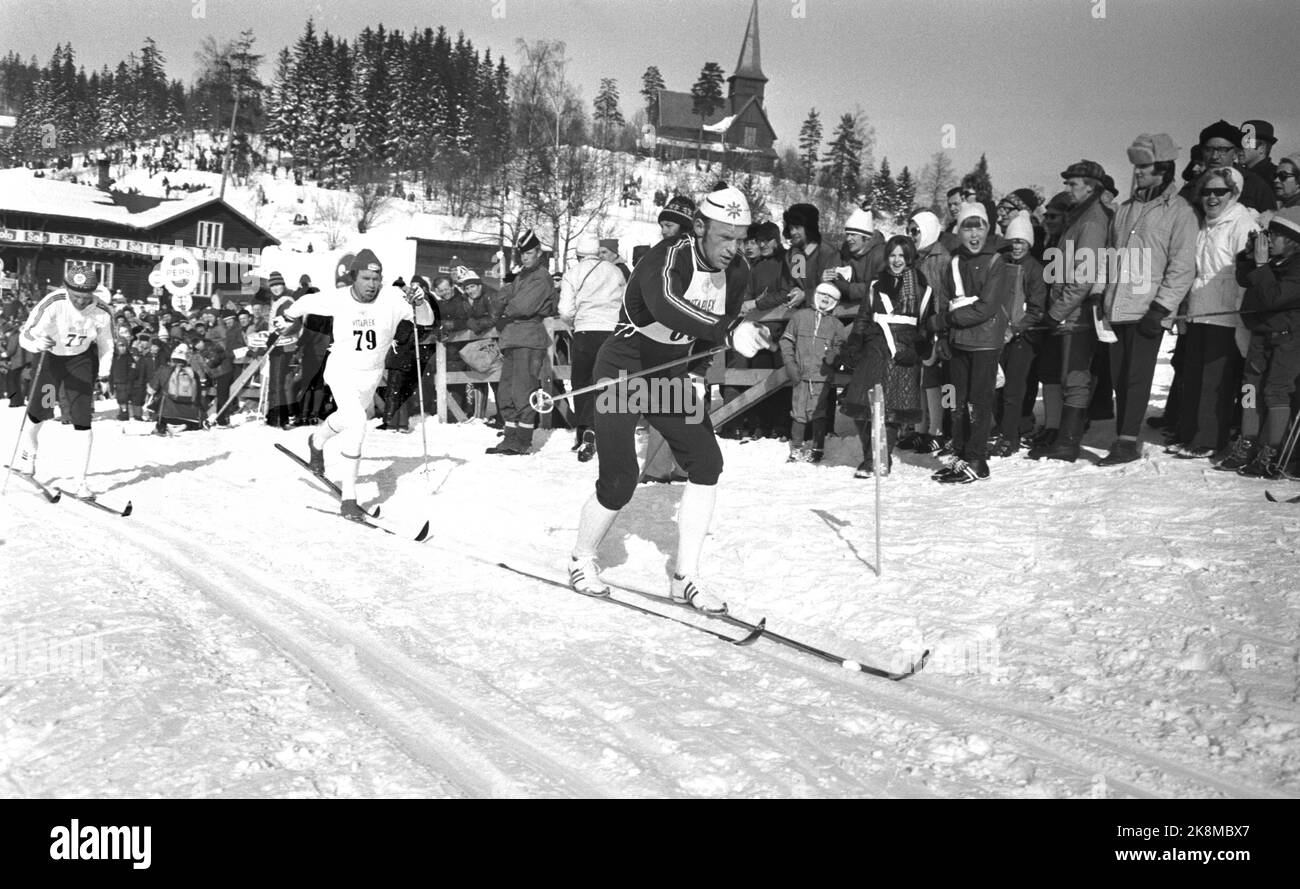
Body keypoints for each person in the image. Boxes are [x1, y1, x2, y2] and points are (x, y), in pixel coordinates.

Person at [568, 187, 772, 612]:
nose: (733, 249)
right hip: (625, 370)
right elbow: (666, 306)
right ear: (699, 228)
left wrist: (735, 338)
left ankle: (687, 578)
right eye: (724, 238)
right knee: (622, 478)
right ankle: (582, 558)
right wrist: (727, 329)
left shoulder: (737, 272)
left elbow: (716, 329)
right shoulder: (667, 256)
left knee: (706, 462)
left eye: (741, 238)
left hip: (669, 375)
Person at [275, 249, 414, 519]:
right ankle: (349, 498)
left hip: (371, 374)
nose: (371, 284)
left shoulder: (392, 299)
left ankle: (316, 441)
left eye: (376, 278)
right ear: (353, 277)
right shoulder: (338, 298)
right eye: (365, 278)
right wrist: (289, 315)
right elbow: (305, 303)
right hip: (342, 371)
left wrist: (419, 302)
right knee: (358, 424)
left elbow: (425, 319)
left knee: (346, 419)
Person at [1097, 133, 1198, 465]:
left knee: (1138, 377)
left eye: (1144, 167)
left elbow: (1182, 266)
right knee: (1119, 377)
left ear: (1164, 170)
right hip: (1117, 307)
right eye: (1136, 167)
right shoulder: (1124, 210)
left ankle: (1127, 442)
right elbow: (1110, 256)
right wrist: (1100, 295)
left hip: (1147, 310)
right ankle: (1123, 432)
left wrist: (1161, 308)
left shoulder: (1180, 212)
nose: (1137, 173)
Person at [1171, 167, 1258, 459]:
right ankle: (1189, 433)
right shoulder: (1204, 224)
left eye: (1219, 192)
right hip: (1198, 310)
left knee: (1215, 380)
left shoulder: (1241, 223)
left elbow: (1245, 274)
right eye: (1207, 191)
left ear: (1233, 193)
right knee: (1193, 375)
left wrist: (1241, 318)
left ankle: (1209, 438)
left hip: (1224, 312)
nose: (1211, 197)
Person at [1029, 162, 1111, 462]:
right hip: (1069, 310)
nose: (1068, 189)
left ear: (1091, 186)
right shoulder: (1080, 217)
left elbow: (1083, 275)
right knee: (1067, 375)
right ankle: (1063, 437)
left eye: (1073, 184)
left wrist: (1057, 311)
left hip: (1079, 313)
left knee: (1076, 376)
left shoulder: (1092, 221)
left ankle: (1068, 442)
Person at [927, 204, 1015, 482]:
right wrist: (942, 336)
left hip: (985, 342)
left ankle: (977, 460)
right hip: (958, 342)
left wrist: (946, 321)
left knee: (979, 402)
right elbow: (945, 299)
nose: (974, 234)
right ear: (959, 231)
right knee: (956, 400)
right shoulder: (954, 261)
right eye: (968, 227)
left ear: (987, 230)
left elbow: (986, 307)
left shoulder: (996, 262)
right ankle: (961, 455)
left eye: (979, 227)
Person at [14, 265, 114, 495]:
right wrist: (37, 344)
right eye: (75, 296)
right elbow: (26, 334)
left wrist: (104, 373)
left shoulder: (102, 310)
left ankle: (81, 481)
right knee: (41, 412)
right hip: (51, 362)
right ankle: (29, 455)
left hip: (80, 362)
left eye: (85, 296)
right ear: (66, 289)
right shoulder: (53, 302)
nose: (80, 301)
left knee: (82, 419)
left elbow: (107, 343)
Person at [838, 237, 934, 476]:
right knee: (860, 406)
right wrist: (855, 344)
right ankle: (872, 457)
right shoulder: (875, 285)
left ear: (910, 258)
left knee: (891, 411)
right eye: (892, 255)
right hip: (874, 347)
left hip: (902, 350)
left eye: (902, 255)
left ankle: (880, 460)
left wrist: (916, 350)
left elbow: (926, 325)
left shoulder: (923, 289)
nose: (897, 260)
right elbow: (862, 318)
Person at [1229, 207, 1300, 477]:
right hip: (1260, 332)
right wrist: (1249, 257)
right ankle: (1247, 441)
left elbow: (1273, 297)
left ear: (1292, 240)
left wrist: (1260, 264)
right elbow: (1244, 279)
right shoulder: (1274, 260)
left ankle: (1272, 449)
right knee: (1250, 389)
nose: (1267, 239)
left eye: (1273, 235)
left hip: (1289, 338)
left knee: (1275, 391)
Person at [486, 230, 558, 455]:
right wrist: (505, 306)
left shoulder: (541, 277)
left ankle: (523, 441)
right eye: (522, 254)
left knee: (523, 390)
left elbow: (523, 307)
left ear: (539, 253)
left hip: (529, 337)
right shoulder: (522, 276)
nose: (525, 257)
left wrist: (505, 309)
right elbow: (498, 299)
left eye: (529, 253)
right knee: (506, 391)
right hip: (513, 337)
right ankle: (509, 438)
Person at [559, 234, 626, 462]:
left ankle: (584, 430)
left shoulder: (573, 273)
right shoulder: (615, 271)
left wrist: (575, 322)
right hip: (612, 333)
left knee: (582, 382)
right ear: (598, 252)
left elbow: (565, 311)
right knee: (608, 383)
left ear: (578, 255)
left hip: (585, 332)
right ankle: (605, 432)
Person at [991, 211, 1048, 457]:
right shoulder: (1000, 262)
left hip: (1023, 337)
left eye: (1021, 241)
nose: (1016, 246)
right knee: (996, 386)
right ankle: (1002, 427)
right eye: (1013, 240)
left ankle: (1010, 437)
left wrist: (1016, 329)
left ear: (1029, 243)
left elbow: (1037, 309)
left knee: (1014, 389)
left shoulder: (1034, 269)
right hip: (998, 334)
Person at [779, 282, 848, 464]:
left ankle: (818, 448)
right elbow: (786, 342)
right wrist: (790, 364)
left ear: (835, 302)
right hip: (800, 375)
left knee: (818, 411)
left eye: (830, 297)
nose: (825, 299)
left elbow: (842, 346)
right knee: (798, 411)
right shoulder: (800, 317)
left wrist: (835, 356)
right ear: (815, 295)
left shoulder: (836, 324)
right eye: (822, 294)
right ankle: (796, 448)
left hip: (821, 376)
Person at [379, 275, 439, 432]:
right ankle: (398, 422)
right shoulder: (406, 309)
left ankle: (392, 422)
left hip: (402, 354)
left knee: (395, 389)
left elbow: (404, 333)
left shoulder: (406, 310)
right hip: (407, 353)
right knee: (399, 389)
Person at [148, 342, 208, 435]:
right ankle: (186, 426)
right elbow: (199, 394)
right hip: (190, 415)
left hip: (166, 414)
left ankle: (161, 427)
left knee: (161, 395)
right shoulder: (193, 373)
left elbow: (151, 390)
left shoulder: (164, 370)